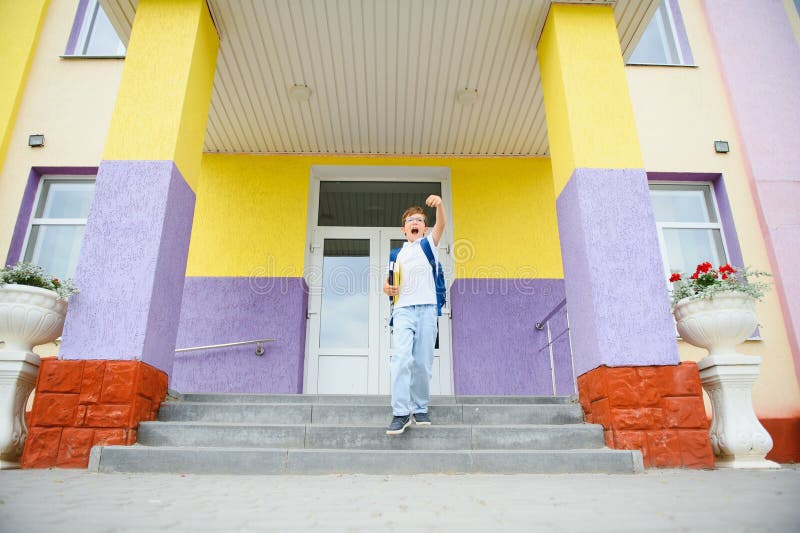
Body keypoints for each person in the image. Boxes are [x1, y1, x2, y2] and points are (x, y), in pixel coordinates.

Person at [383, 194, 445, 435]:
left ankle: (420, 408)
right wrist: (387, 287)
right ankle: (400, 413)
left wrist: (440, 205)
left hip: (427, 310)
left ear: (425, 228)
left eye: (419, 220)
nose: (415, 222)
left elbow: (441, 224)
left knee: (422, 363)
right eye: (411, 220)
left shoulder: (429, 245)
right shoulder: (396, 254)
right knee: (401, 359)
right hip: (403, 311)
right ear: (404, 229)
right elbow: (388, 282)